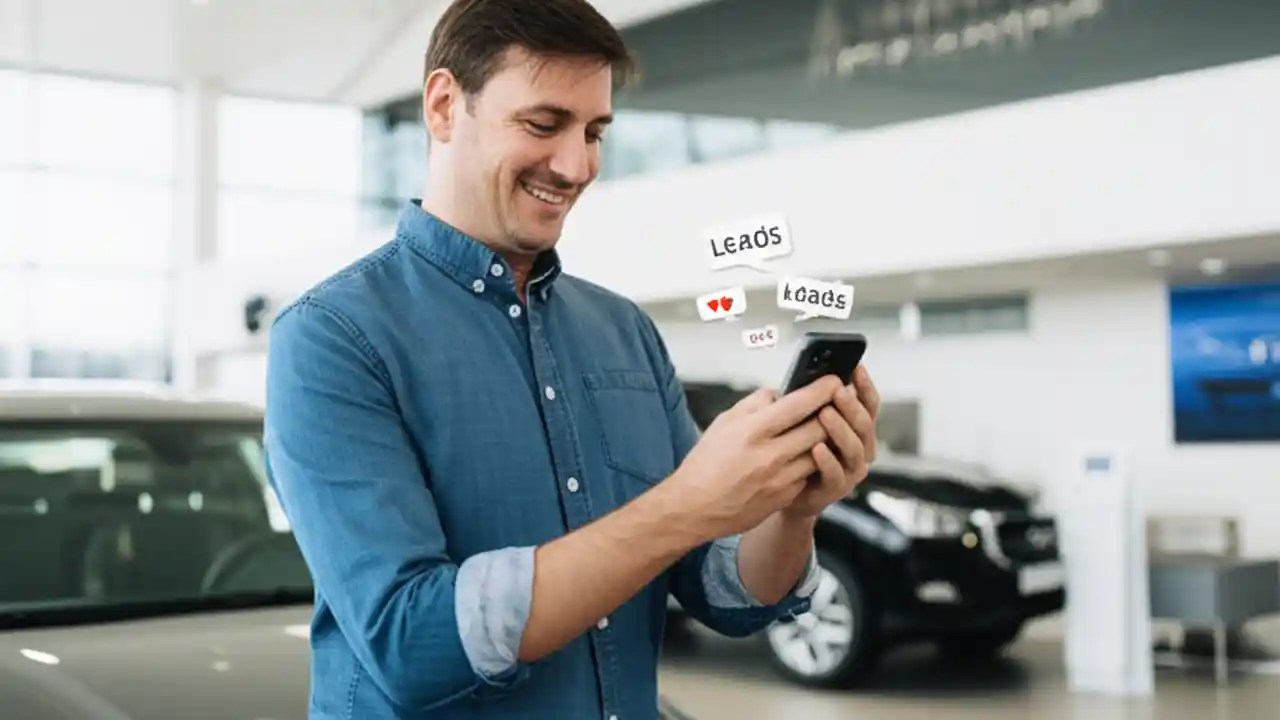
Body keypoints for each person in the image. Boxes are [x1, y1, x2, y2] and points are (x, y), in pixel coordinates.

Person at [263, 0, 881, 718]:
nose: (577, 164)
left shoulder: (624, 330)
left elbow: (718, 589)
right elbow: (410, 641)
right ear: (442, 107)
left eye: (594, 132)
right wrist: (686, 505)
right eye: (543, 124)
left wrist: (792, 513)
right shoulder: (332, 338)